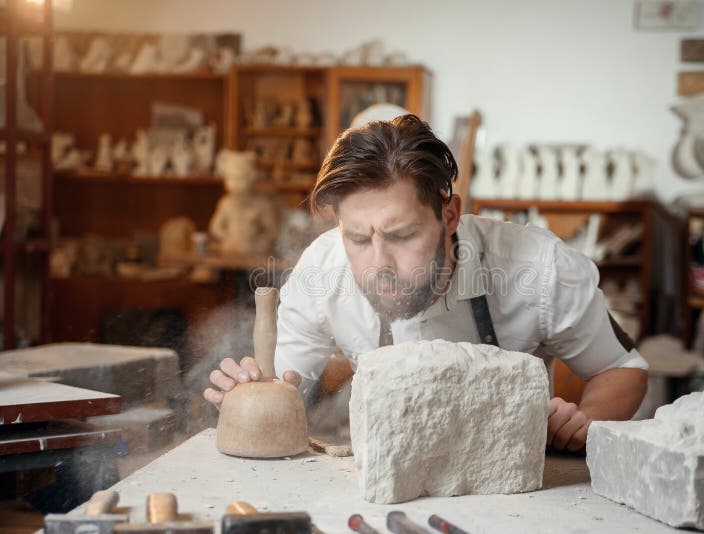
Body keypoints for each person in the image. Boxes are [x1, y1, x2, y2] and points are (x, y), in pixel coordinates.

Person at [205, 114, 648, 451]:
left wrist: (582, 422)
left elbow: (622, 371)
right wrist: (251, 396)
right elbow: (286, 389)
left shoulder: (540, 267)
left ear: (449, 216)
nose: (379, 262)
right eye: (358, 238)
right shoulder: (321, 270)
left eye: (401, 236)